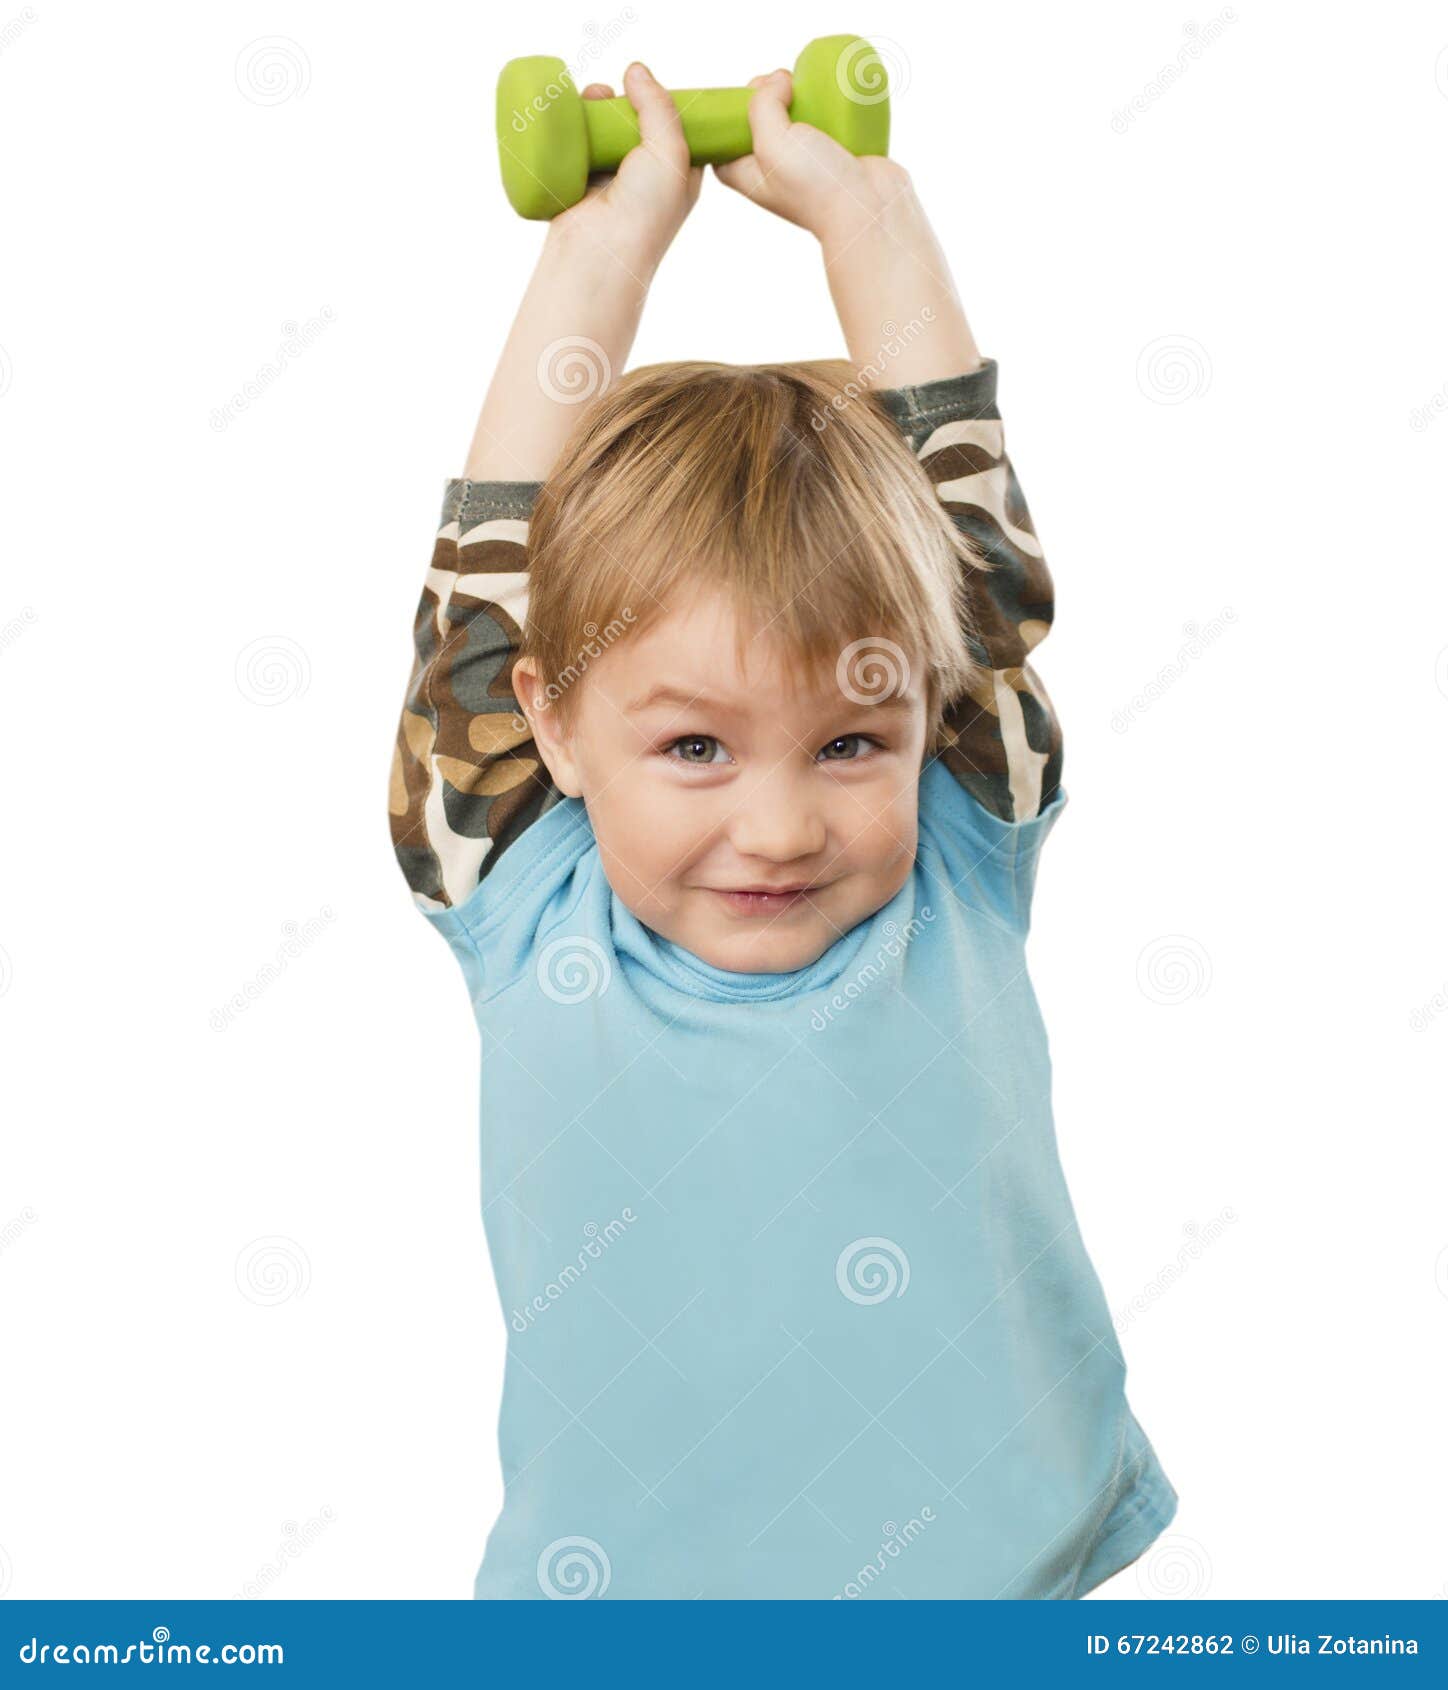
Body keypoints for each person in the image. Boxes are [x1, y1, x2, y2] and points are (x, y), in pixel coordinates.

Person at [388, 58, 1176, 1599]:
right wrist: (596, 253)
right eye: (693, 743)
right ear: (546, 721)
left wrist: (867, 219)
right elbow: (481, 585)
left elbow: (983, 590)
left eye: (848, 739)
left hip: (1011, 1587)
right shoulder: (523, 886)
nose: (780, 820)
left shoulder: (954, 849)